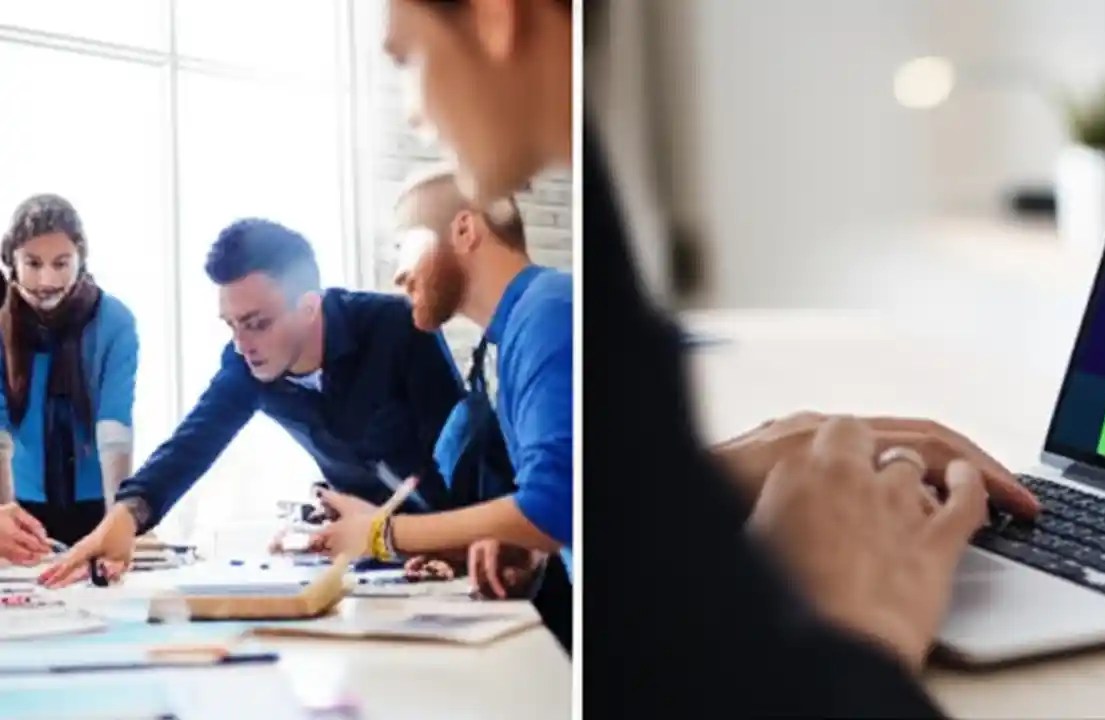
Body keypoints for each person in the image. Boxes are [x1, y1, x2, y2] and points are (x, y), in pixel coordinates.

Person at [377, 0, 1043, 715]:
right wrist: (691, 485)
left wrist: (847, 635)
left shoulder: (553, 308)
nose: (415, 111)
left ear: (495, 18)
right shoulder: (546, 307)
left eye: (407, 57)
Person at [39, 218, 467, 586]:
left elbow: (464, 454)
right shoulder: (247, 364)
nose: (244, 344)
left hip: (457, 546)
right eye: (232, 326)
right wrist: (125, 517)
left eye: (257, 324)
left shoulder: (398, 327)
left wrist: (440, 543)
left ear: (309, 308)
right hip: (371, 565)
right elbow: (191, 444)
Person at [313, 170, 573, 646]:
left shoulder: (549, 315)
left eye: (404, 244)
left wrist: (381, 534)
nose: (397, 275)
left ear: (465, 230)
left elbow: (552, 505)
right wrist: (527, 548)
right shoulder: (519, 331)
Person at [0, 194, 137, 561]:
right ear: (12, 260)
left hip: (98, 503)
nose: (47, 280)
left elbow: (115, 426)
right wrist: (4, 517)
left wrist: (120, 519)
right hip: (18, 505)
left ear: (81, 259)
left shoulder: (115, 321)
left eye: (61, 263)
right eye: (33, 263)